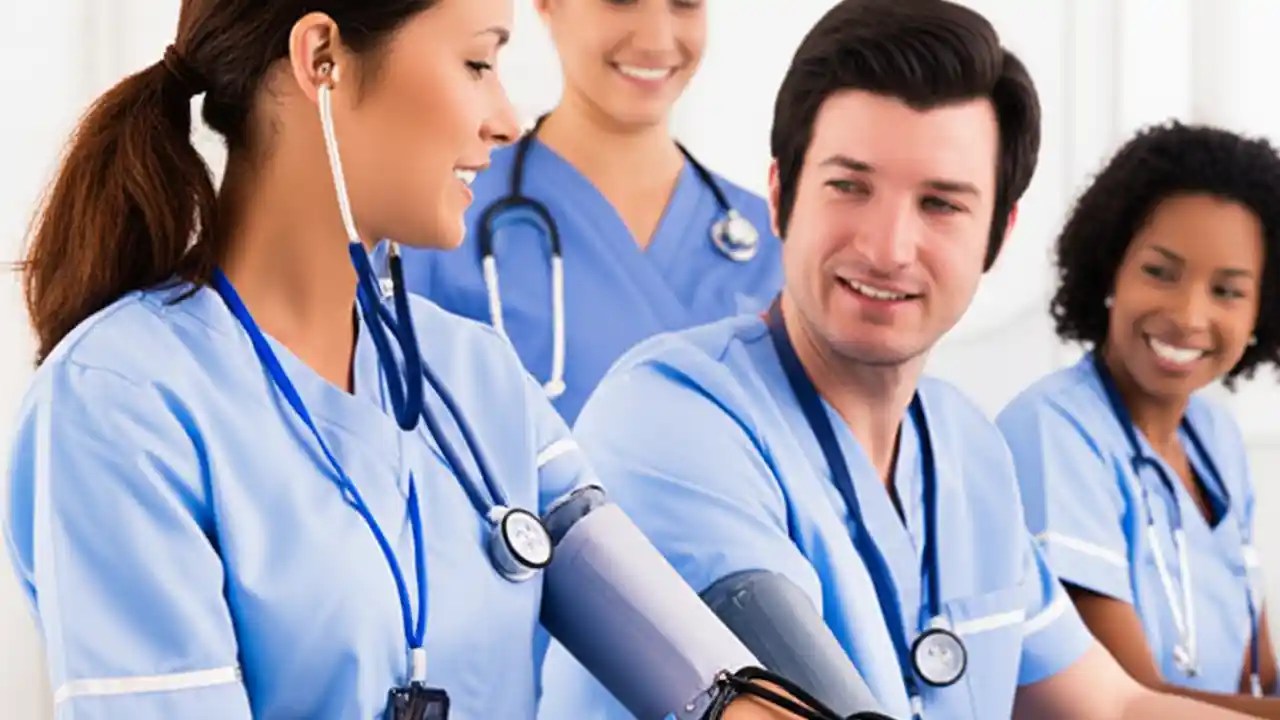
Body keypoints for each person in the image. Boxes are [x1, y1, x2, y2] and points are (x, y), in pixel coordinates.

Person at [2, 2, 855, 718]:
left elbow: (711, 687)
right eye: (479, 63)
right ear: (323, 58)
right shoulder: (122, 401)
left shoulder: (472, 375)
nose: (509, 120)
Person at [535, 1, 1253, 718]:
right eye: (850, 186)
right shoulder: (667, 417)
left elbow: (1114, 707)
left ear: (996, 236)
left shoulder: (968, 452)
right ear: (781, 197)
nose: (887, 248)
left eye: (941, 204)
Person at [997, 121, 1280, 717]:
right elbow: (1128, 701)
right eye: (1160, 272)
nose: (1188, 314)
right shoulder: (1054, 432)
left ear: (1262, 309)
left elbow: (1260, 681)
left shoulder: (1217, 442)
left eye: (1228, 291)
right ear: (1111, 271)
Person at [398, 0, 783, 424]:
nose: (656, 40)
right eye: (620, 1)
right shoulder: (440, 216)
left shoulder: (779, 242)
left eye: (685, 3)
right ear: (547, 5)